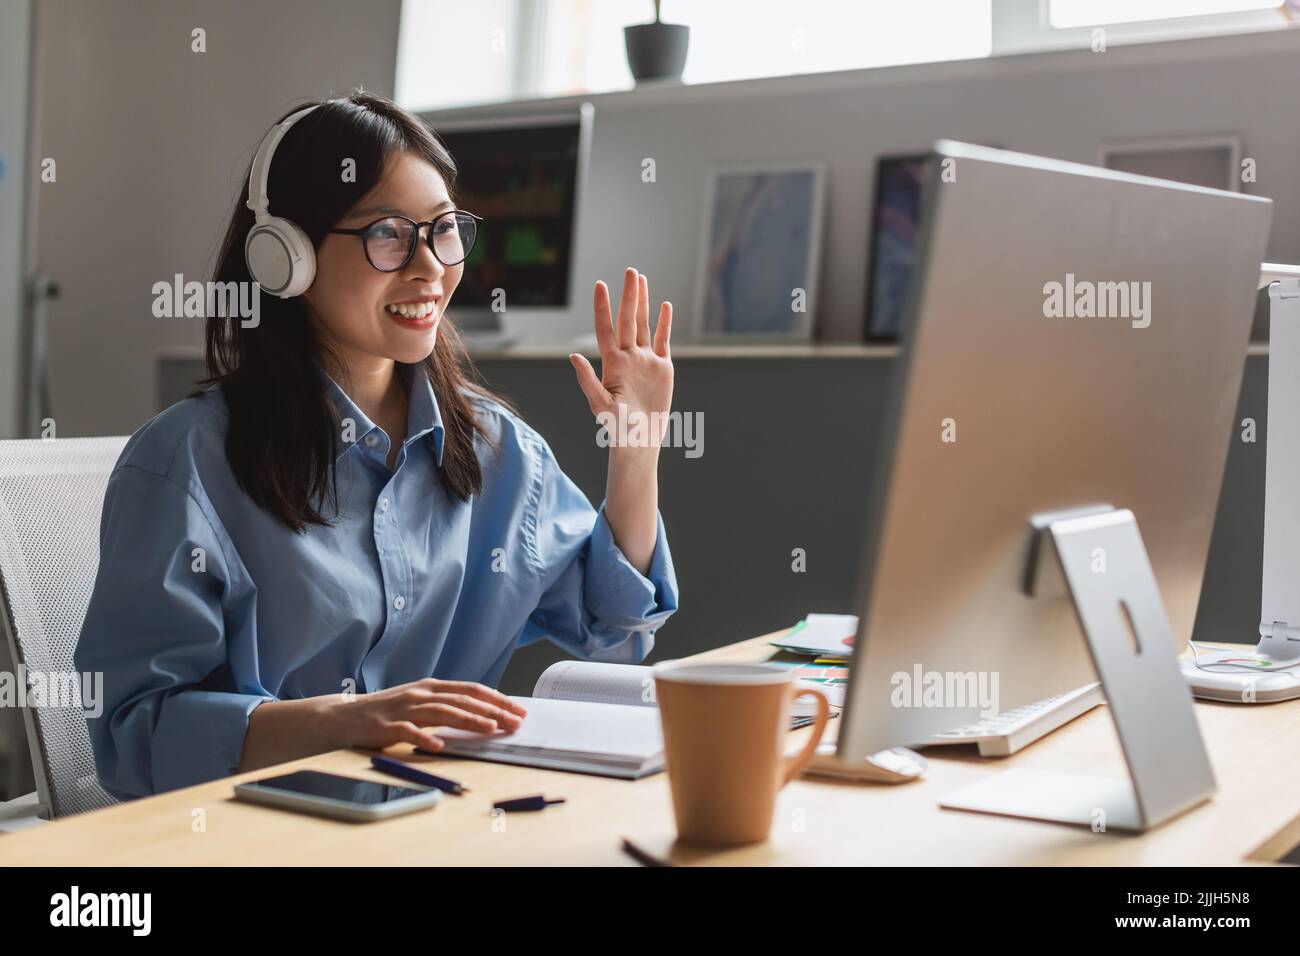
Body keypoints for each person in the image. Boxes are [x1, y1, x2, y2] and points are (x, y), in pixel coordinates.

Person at [75, 92, 679, 799]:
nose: (431, 269)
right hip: (262, 843)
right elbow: (132, 736)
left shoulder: (499, 451)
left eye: (445, 230)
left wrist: (636, 448)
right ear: (285, 258)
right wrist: (342, 722)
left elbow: (616, 632)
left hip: (439, 832)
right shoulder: (186, 464)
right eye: (389, 234)